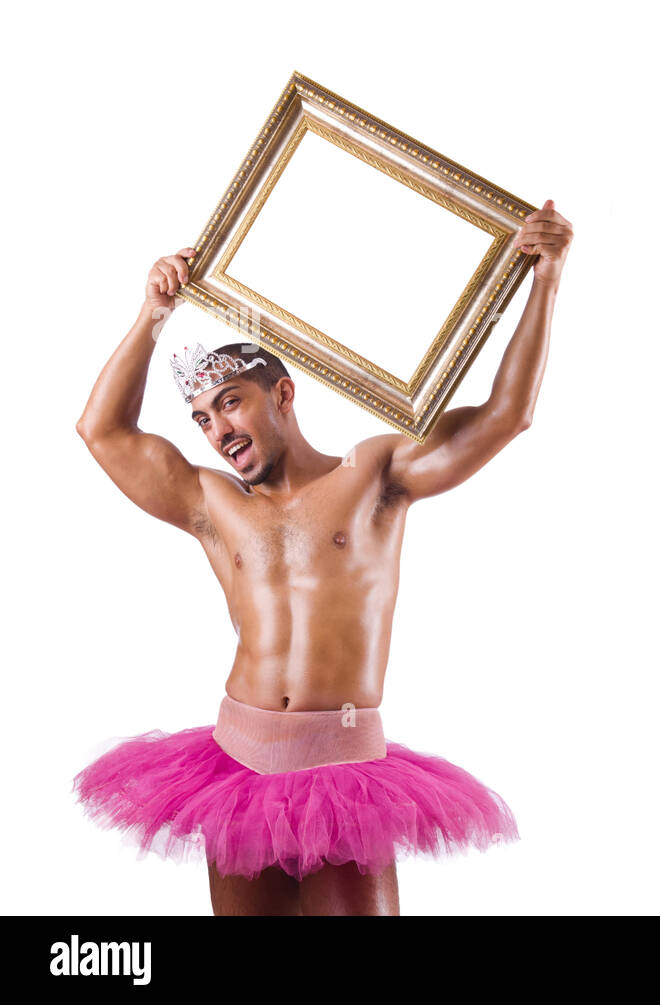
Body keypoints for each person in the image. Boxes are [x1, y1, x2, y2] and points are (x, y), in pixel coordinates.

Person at [73, 202, 574, 915]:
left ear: (282, 393)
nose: (217, 430)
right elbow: (102, 430)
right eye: (202, 418)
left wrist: (546, 274)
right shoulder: (213, 505)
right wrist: (155, 313)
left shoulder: (373, 474)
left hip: (343, 769)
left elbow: (505, 416)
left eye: (231, 403)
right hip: (236, 761)